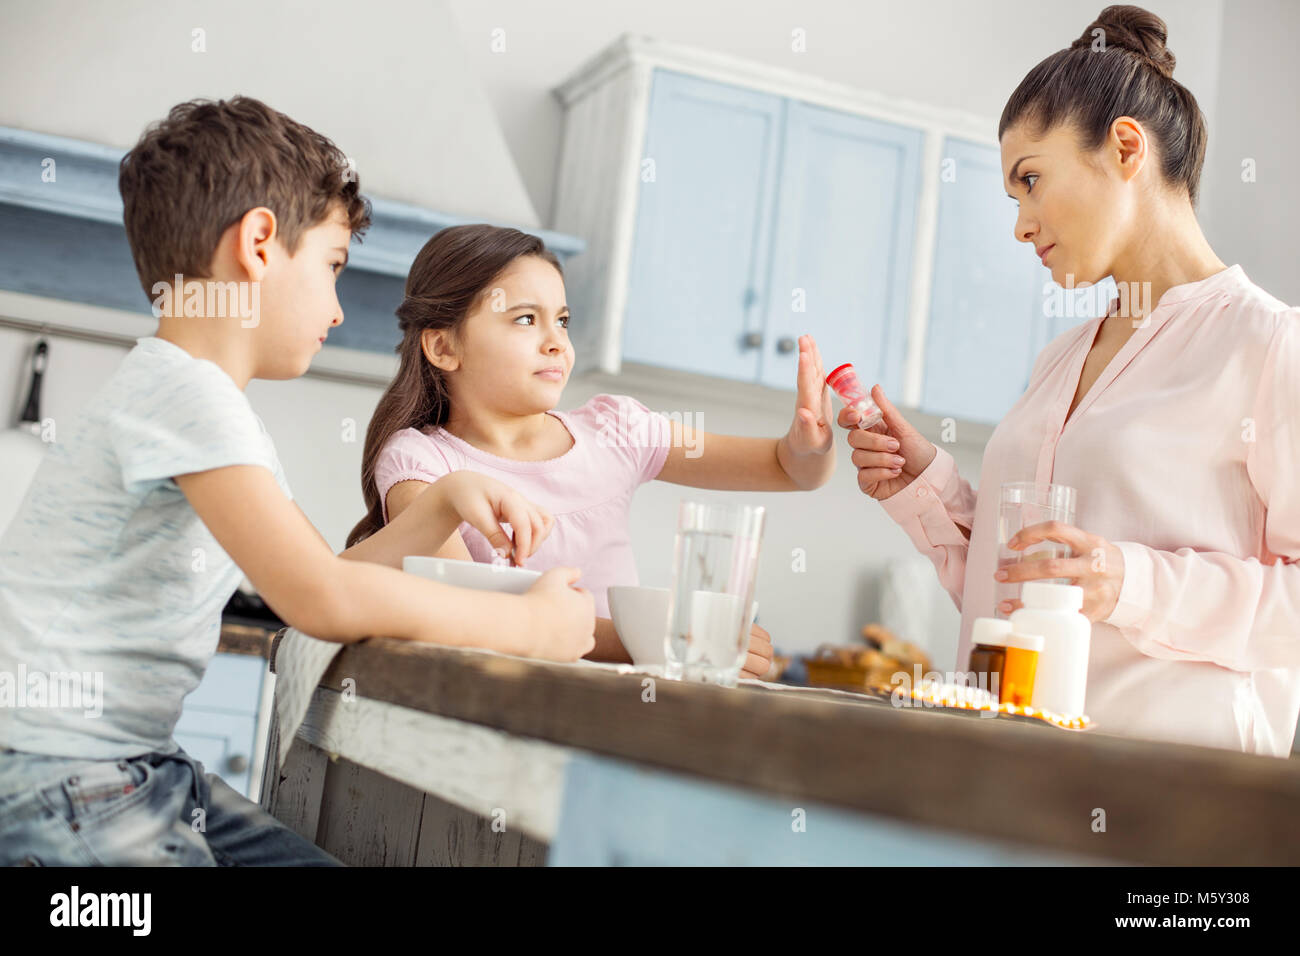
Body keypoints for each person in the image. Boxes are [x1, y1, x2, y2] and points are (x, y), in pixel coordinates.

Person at [0, 97, 595, 867]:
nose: (341, 311)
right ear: (257, 243)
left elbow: (327, 582)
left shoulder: (193, 398)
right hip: (60, 774)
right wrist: (530, 629)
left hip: (130, 764)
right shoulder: (189, 396)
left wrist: (442, 502)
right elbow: (318, 598)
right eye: (333, 265)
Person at [838, 5, 1300, 756]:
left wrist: (1131, 583)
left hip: (1174, 809)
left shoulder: (1270, 344)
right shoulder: (1062, 358)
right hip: (1014, 784)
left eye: (1030, 181)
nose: (1020, 224)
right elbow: (1028, 591)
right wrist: (927, 488)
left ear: (1125, 147)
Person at [347, 224, 841, 676]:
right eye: (525, 319)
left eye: (562, 320)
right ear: (443, 348)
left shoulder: (615, 431)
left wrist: (809, 443)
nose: (557, 342)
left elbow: (788, 469)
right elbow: (478, 609)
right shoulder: (424, 463)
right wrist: (670, 637)